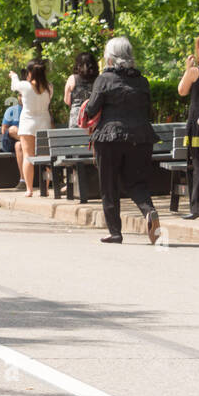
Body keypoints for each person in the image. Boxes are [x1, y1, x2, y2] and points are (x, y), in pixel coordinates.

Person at [82, 37, 160, 244]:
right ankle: (149, 212)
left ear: (110, 57)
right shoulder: (142, 81)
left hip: (109, 138)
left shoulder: (104, 79)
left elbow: (91, 109)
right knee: (136, 182)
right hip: (141, 137)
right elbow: (148, 109)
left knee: (108, 185)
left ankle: (115, 232)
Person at [177, 34, 199, 219]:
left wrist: (187, 68)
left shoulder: (195, 72)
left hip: (198, 124)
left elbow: (181, 91)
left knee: (198, 164)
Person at [10, 61, 52, 196]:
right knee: (45, 156)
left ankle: (29, 189)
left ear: (29, 73)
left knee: (28, 156)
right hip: (44, 122)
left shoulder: (25, 86)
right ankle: (45, 187)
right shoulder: (49, 87)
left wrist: (14, 76)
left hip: (28, 123)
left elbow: (14, 86)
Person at [63, 51, 99, 127]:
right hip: (93, 118)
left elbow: (67, 101)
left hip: (76, 118)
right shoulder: (98, 80)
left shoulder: (72, 78)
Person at [1, 99, 23, 175]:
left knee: (19, 145)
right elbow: (4, 130)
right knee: (12, 129)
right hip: (11, 141)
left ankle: (23, 180)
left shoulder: (37, 109)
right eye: (20, 95)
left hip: (22, 142)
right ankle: (29, 142)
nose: (21, 97)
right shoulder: (12, 110)